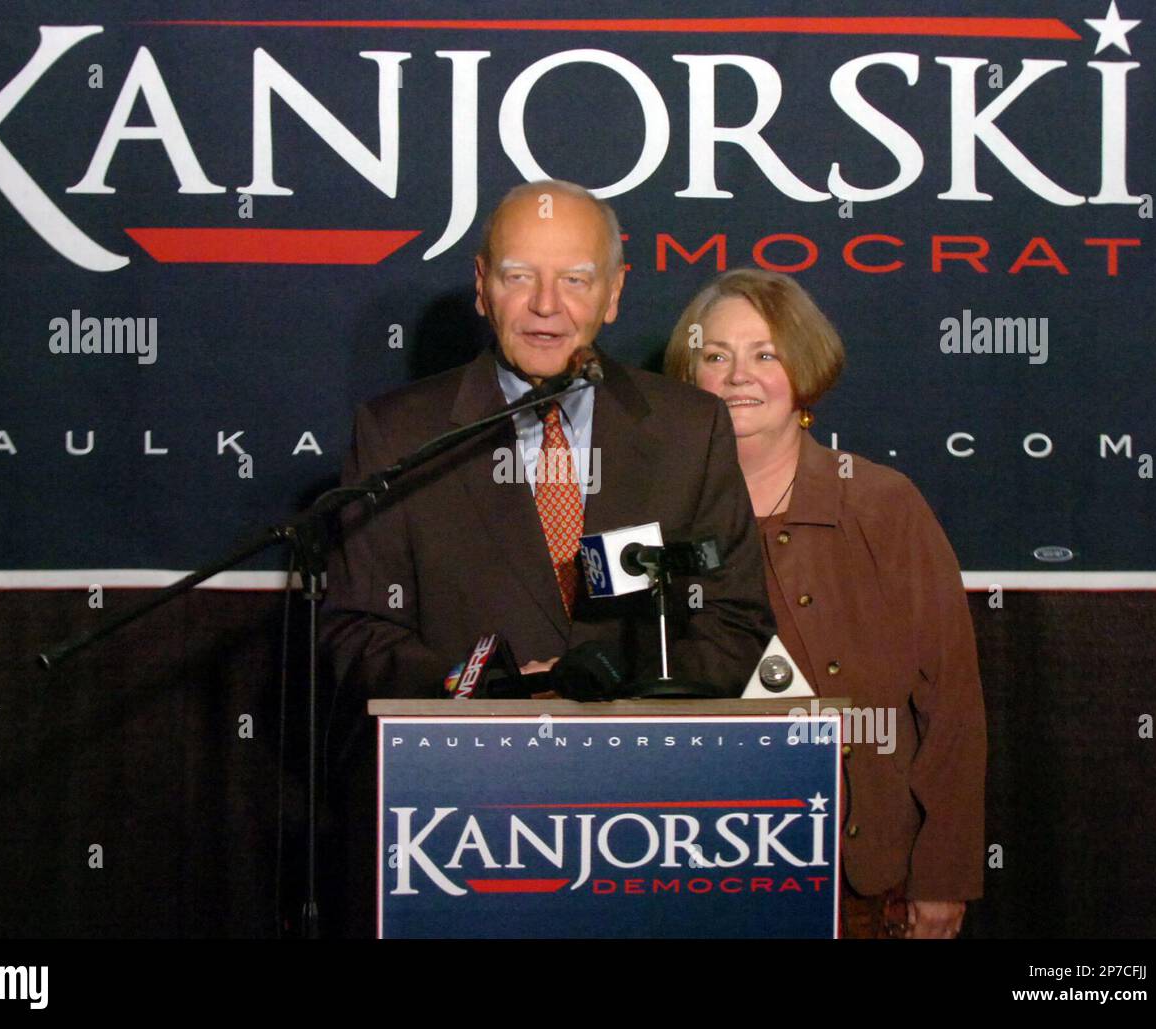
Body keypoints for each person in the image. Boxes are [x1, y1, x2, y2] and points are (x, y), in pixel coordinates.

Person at [324, 182, 773, 703]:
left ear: (613, 294)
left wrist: (609, 689)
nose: (545, 304)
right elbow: (358, 633)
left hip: (642, 767)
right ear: (481, 285)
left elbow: (734, 621)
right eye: (519, 276)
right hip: (466, 765)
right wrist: (499, 692)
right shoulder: (398, 433)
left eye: (576, 280)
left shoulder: (690, 428)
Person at [664, 268, 986, 939]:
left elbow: (952, 701)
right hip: (698, 875)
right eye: (716, 355)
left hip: (865, 887)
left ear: (805, 369)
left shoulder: (881, 502)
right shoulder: (650, 516)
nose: (737, 375)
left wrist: (943, 875)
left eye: (765, 354)